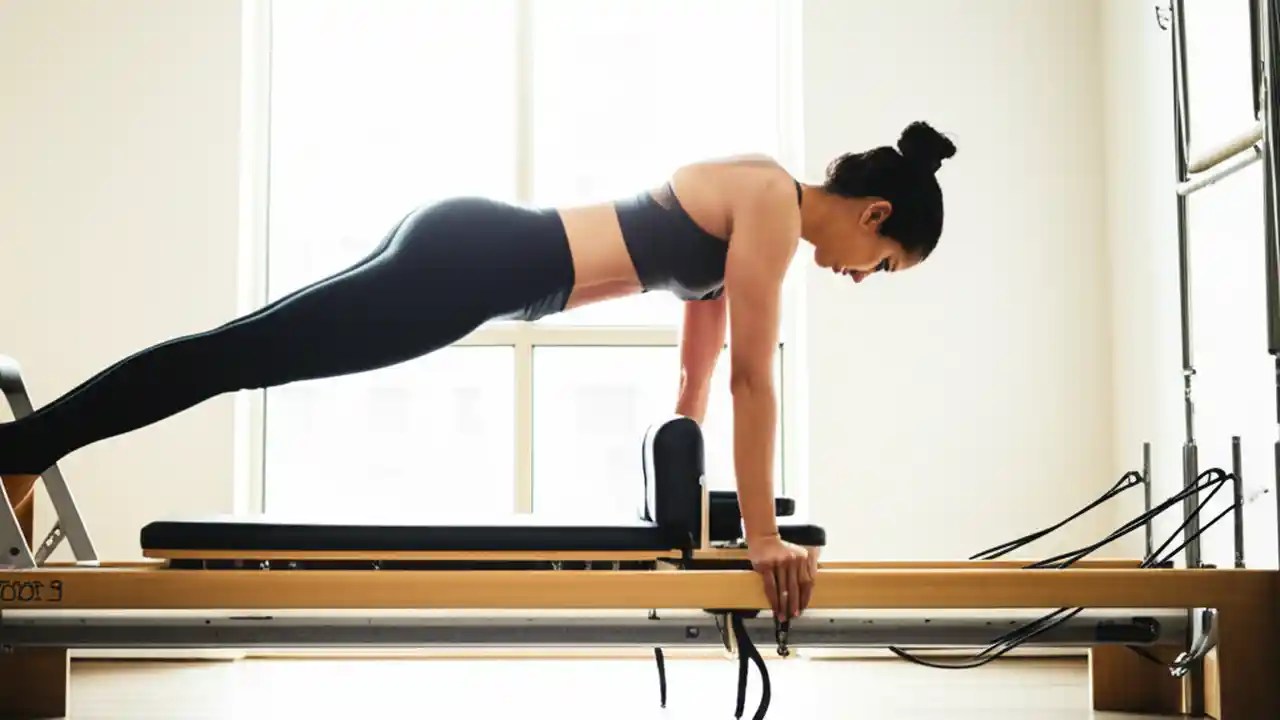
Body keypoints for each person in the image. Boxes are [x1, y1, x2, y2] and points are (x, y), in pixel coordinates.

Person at [0, 120, 955, 621]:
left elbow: (697, 390)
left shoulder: (751, 216)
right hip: (477, 263)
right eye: (887, 268)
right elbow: (758, 379)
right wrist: (761, 542)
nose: (865, 280)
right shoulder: (771, 207)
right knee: (240, 357)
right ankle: (21, 448)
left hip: (474, 253)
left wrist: (694, 513)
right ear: (875, 217)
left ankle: (26, 451)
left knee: (242, 349)